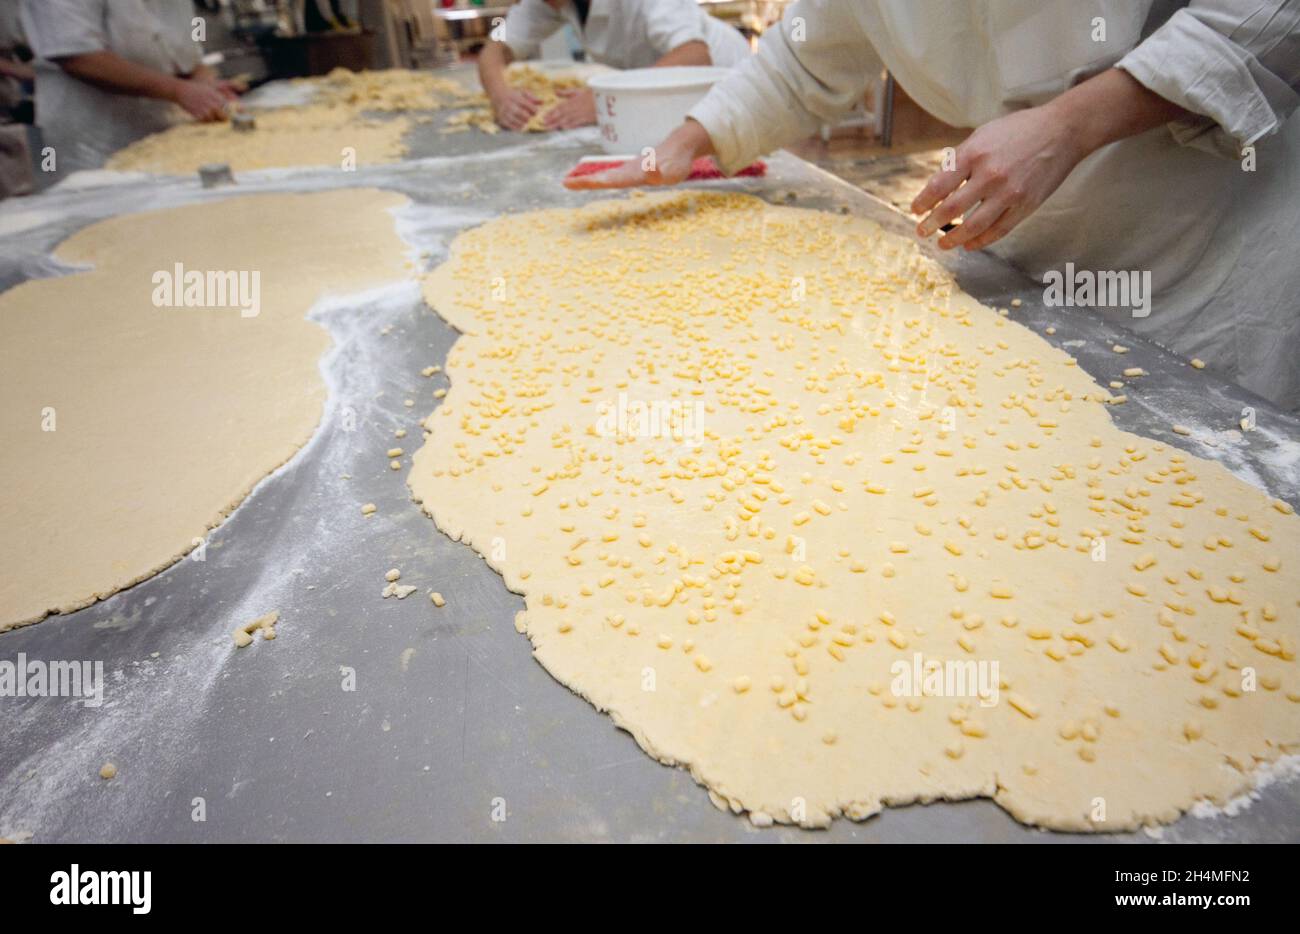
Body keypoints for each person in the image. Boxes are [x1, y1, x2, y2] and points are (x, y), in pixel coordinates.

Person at [569, 0, 1300, 411]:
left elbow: (1268, 14)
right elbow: (802, 57)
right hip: (1030, 233)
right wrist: (687, 141)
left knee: (1203, 477)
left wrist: (1074, 122)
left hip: (1206, 233)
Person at [20, 0, 244, 176]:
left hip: (164, 130)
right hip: (94, 135)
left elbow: (188, 52)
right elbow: (76, 56)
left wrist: (203, 82)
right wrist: (179, 91)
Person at [480, 0, 751, 131]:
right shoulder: (547, 2)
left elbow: (695, 55)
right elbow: (494, 47)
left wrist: (610, 98)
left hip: (731, 86)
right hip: (659, 95)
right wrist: (500, 96)